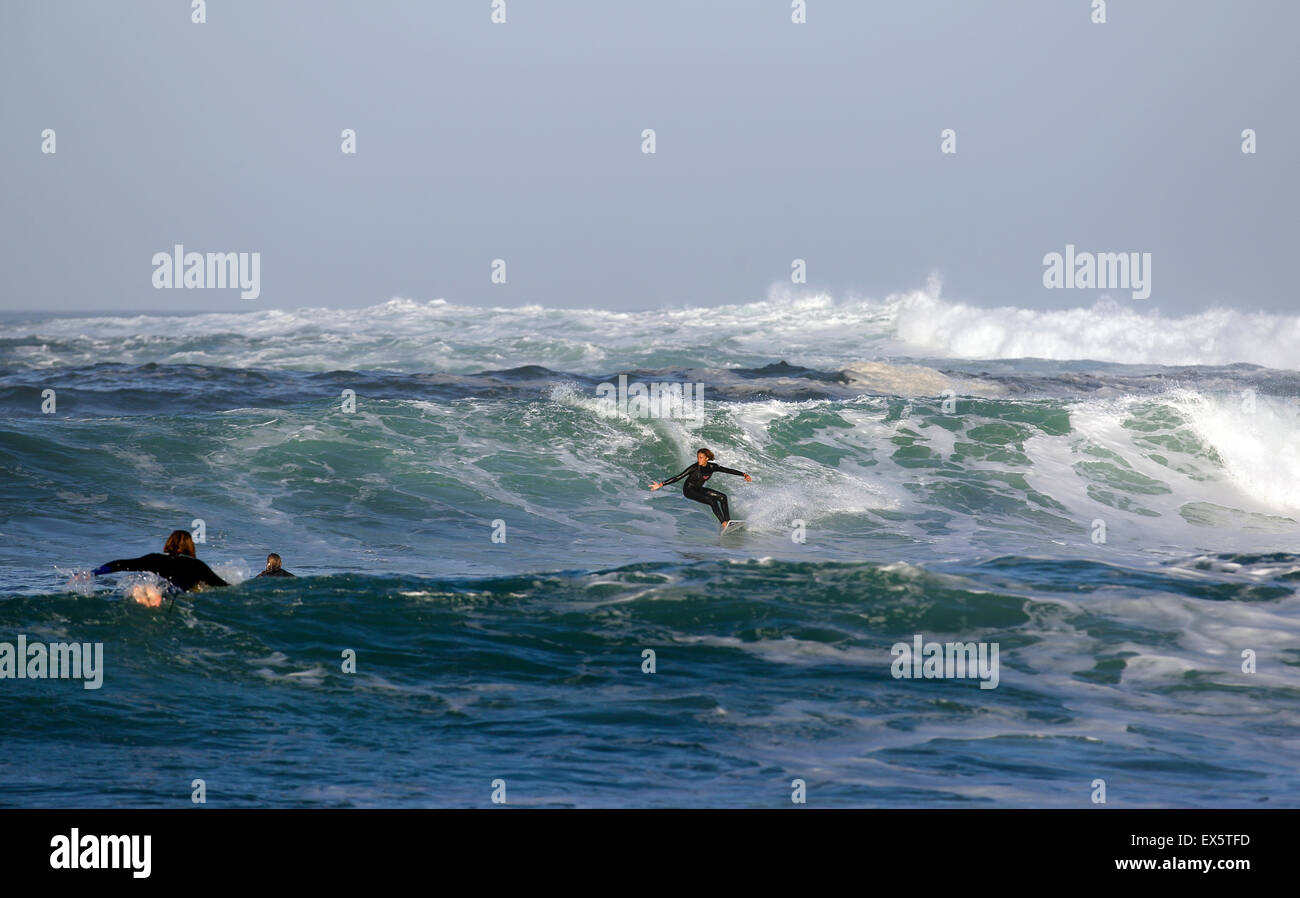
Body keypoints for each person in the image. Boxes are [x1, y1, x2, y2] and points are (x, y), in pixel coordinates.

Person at [91, 530, 227, 605]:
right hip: (175, 590)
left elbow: (120, 564)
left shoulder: (154, 558)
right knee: (170, 591)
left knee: (152, 587)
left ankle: (145, 592)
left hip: (156, 583)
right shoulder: (197, 565)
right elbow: (222, 585)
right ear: (191, 547)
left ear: (168, 544)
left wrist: (93, 573)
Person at [650, 448, 752, 531]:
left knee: (723, 497)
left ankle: (728, 522)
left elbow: (727, 470)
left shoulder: (712, 467)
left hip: (699, 488)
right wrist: (661, 484)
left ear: (707, 458)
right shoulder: (694, 468)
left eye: (701, 458)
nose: (699, 460)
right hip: (689, 490)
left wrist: (743, 474)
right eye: (698, 457)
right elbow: (678, 477)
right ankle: (724, 524)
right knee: (712, 501)